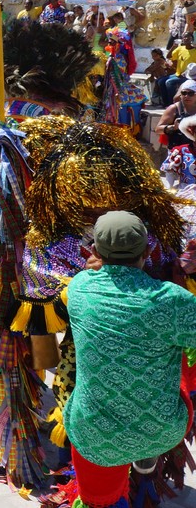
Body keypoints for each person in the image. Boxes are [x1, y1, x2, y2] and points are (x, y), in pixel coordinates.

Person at [64, 211, 196, 507]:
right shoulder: (174, 300)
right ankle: (144, 457)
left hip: (95, 435)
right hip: (162, 429)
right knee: (188, 356)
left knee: (99, 494)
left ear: (95, 251)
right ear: (148, 252)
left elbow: (88, 280)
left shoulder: (79, 288)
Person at [163, 33, 196, 106]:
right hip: (178, 74)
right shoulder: (180, 48)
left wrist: (185, 73)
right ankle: (164, 103)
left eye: (188, 37)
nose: (186, 39)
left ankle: (172, 103)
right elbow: (168, 56)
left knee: (169, 82)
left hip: (189, 76)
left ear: (192, 39)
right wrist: (173, 46)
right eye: (184, 37)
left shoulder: (195, 51)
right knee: (160, 81)